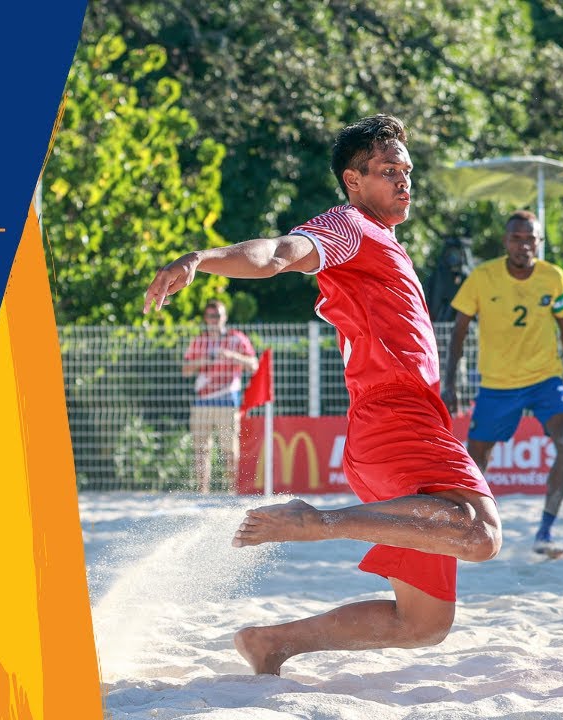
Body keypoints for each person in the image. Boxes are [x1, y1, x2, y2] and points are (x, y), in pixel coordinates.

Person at [144, 114, 502, 675]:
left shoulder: (381, 238)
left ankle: (272, 643)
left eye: (407, 171)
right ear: (354, 180)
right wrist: (202, 259)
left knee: (423, 624)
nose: (404, 181)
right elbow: (280, 253)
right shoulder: (350, 225)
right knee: (480, 535)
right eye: (389, 171)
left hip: (393, 427)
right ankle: (315, 522)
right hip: (395, 419)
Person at [442, 210, 563, 558]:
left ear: (539, 243)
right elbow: (459, 333)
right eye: (517, 238)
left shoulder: (553, 277)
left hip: (545, 380)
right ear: (505, 241)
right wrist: (450, 383)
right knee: (476, 457)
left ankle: (544, 532)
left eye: (531, 239)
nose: (524, 245)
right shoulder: (482, 277)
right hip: (497, 385)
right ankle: (467, 523)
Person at [182, 298, 258, 494]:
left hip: (227, 400)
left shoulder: (236, 338)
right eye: (210, 316)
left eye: (218, 315)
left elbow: (254, 364)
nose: (214, 319)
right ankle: (202, 490)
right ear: (206, 318)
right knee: (201, 448)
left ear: (225, 317)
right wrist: (208, 359)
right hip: (202, 401)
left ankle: (231, 489)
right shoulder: (199, 341)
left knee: (229, 448)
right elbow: (186, 370)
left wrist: (233, 356)